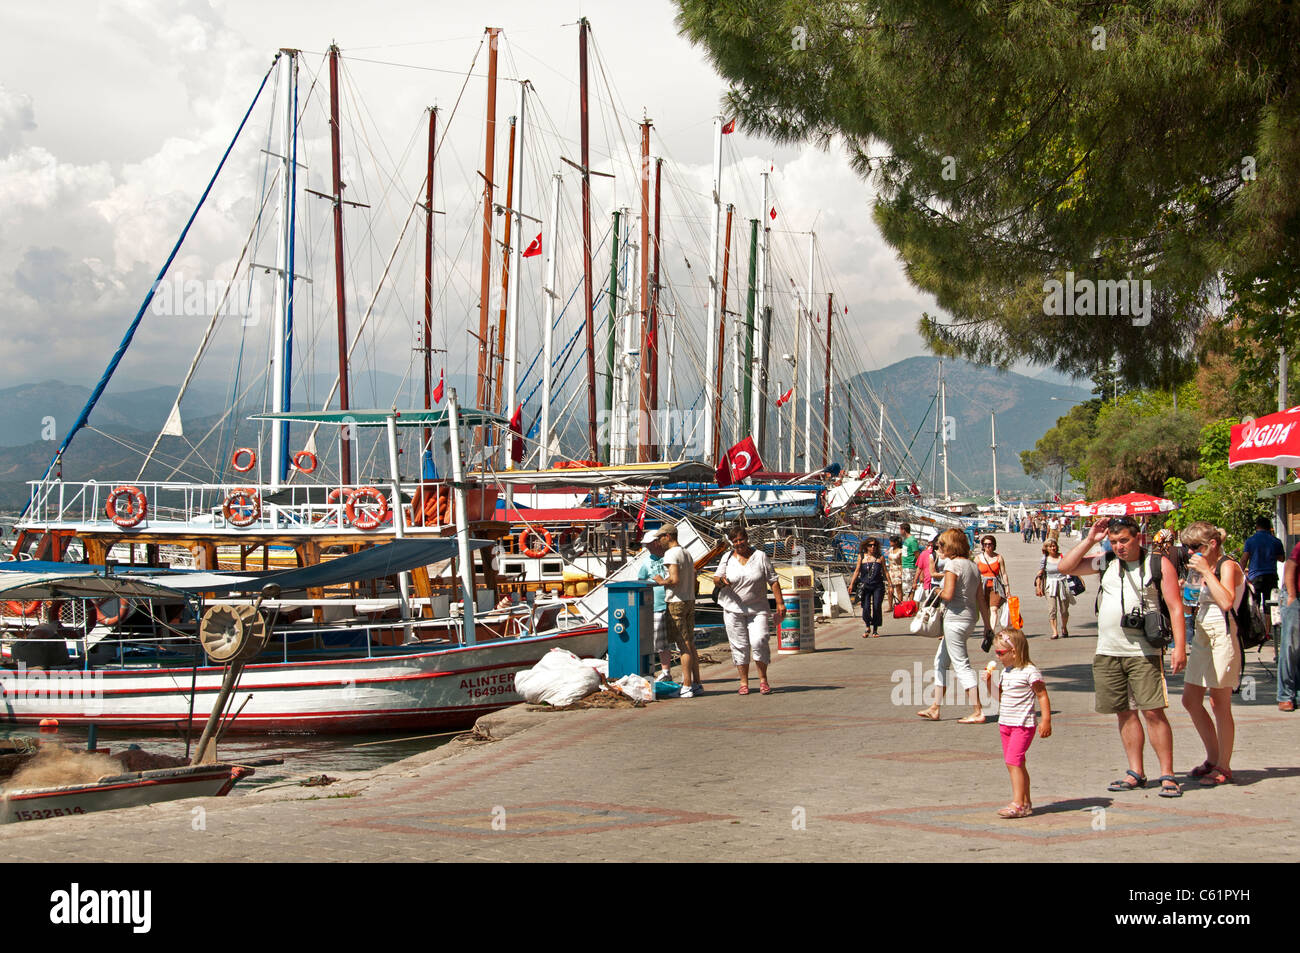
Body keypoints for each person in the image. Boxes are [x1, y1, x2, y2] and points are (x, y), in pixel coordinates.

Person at [1058, 515, 1188, 797]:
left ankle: (1167, 774)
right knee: (1124, 712)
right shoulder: (1104, 561)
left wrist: (1180, 647)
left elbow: (1176, 607)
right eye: (1114, 541)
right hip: (1108, 650)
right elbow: (1065, 566)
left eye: (1124, 541)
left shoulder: (1157, 563)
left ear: (1138, 538)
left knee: (1153, 711)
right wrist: (1091, 539)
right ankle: (1135, 772)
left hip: (1144, 651)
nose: (1119, 546)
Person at [1179, 522, 1243, 786]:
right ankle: (1212, 756)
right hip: (1203, 635)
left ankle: (1224, 765)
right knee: (1190, 699)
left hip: (1224, 636)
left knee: (1219, 703)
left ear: (1212, 545)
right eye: (1188, 547)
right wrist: (1188, 586)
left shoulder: (1227, 565)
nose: (1191, 552)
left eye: (1196, 547)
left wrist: (1208, 572)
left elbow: (1227, 601)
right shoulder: (1202, 568)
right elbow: (1189, 603)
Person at [916, 528, 985, 723]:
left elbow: (948, 594)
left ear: (951, 546)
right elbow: (980, 598)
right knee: (941, 661)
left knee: (962, 665)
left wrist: (936, 591)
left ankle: (978, 710)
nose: (939, 548)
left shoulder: (953, 565)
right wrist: (988, 625)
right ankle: (935, 707)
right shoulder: (973, 566)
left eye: (942, 545)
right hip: (970, 618)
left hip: (955, 619)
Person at [984, 628, 1051, 818]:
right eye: (996, 652)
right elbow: (1000, 697)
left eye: (1000, 653)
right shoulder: (1007, 671)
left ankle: (1018, 803)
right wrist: (989, 684)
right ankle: (1026, 802)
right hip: (1005, 723)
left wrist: (1045, 720)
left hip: (1023, 724)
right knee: (1016, 763)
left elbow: (1042, 695)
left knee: (1013, 761)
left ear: (1014, 652)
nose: (997, 657)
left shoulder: (1030, 671)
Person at [714, 525, 785, 694]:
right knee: (739, 646)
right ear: (732, 542)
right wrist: (721, 582)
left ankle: (763, 680)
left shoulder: (760, 556)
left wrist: (780, 603)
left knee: (759, 641)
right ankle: (744, 682)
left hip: (758, 608)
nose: (739, 543)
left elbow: (773, 580)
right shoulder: (727, 557)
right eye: (735, 541)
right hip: (732, 608)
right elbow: (717, 577)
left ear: (747, 538)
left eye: (741, 539)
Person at [652, 525, 702, 697]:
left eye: (660, 538)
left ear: (668, 536)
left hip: (676, 602)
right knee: (690, 643)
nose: (658, 542)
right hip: (689, 600)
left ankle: (686, 686)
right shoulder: (686, 553)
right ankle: (697, 683)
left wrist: (660, 581)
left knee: (683, 645)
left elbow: (674, 579)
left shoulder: (671, 554)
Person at [635, 529, 673, 681]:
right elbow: (641, 580)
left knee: (671, 640)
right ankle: (664, 671)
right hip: (655, 605)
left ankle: (666, 672)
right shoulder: (647, 562)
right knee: (658, 639)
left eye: (649, 544)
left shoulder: (670, 556)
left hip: (671, 602)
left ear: (657, 543)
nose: (648, 547)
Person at [1242, 516, 1285, 616]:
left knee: (1255, 603)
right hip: (1271, 575)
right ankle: (1267, 630)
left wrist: (1240, 572)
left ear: (1257, 527)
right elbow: (1282, 559)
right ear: (1269, 527)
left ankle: (1258, 628)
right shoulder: (1276, 541)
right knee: (1269, 605)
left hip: (1255, 576)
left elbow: (1244, 559)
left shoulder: (1250, 541)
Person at [975, 535, 1010, 650]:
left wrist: (1007, 587)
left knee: (993, 609)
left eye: (990, 544)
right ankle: (987, 629)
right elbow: (974, 574)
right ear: (983, 546)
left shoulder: (999, 558)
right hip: (982, 586)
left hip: (995, 587)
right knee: (986, 611)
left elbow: (1003, 573)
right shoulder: (978, 558)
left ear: (994, 545)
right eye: (985, 544)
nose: (988, 546)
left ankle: (991, 632)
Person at [1035, 538, 1074, 638]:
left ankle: (1064, 627)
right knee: (1052, 609)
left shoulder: (1062, 556)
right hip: (1050, 585)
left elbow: (1070, 567)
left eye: (1054, 546)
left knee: (1064, 610)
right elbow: (1040, 573)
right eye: (1050, 546)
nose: (1053, 548)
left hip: (1062, 584)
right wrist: (1038, 587)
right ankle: (1054, 631)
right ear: (1046, 548)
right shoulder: (1045, 559)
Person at [850, 537, 887, 637]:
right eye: (870, 545)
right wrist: (851, 584)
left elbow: (885, 572)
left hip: (878, 585)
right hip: (865, 585)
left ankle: (875, 629)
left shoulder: (880, 557)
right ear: (866, 546)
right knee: (865, 607)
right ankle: (867, 626)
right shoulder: (861, 556)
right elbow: (857, 571)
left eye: (874, 545)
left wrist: (890, 585)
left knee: (876, 606)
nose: (873, 547)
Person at [1280, 539, 1300, 712]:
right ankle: (1285, 695)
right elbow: (1290, 566)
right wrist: (1292, 596)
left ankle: (1297, 694)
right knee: (1290, 647)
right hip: (1295, 596)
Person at [900, 523, 921, 598]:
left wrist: (920, 566)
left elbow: (917, 554)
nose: (900, 532)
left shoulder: (912, 540)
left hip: (910, 567)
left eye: (900, 530)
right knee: (906, 589)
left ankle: (910, 606)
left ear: (904, 530)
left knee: (910, 589)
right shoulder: (907, 540)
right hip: (906, 566)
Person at [886, 535, 905, 607]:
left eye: (891, 541)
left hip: (898, 571)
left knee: (898, 589)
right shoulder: (890, 549)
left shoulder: (901, 551)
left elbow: (902, 562)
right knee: (890, 589)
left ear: (896, 542)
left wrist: (902, 572)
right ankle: (890, 606)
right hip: (891, 570)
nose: (890, 542)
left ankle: (899, 605)